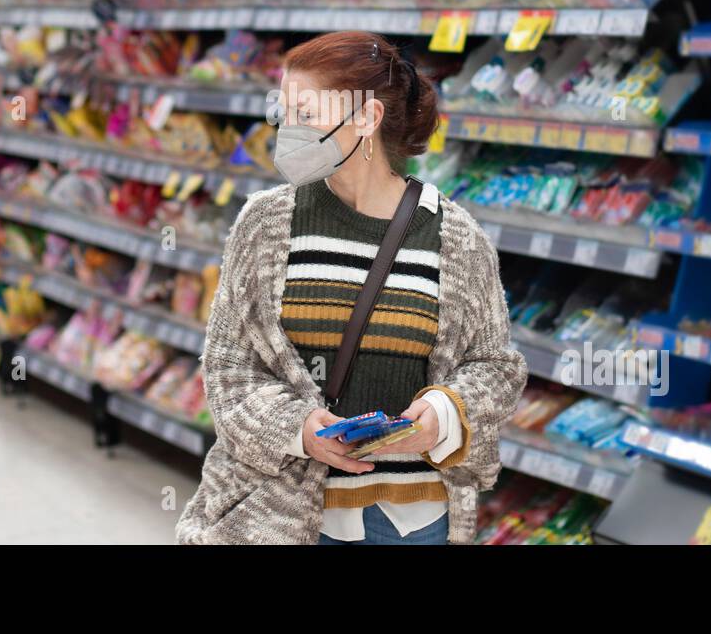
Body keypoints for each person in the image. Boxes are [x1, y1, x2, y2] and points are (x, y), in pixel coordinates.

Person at [175, 31, 527, 545]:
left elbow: (496, 366)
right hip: (278, 515)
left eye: (306, 114)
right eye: (284, 112)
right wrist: (298, 429)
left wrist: (445, 412)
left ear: (366, 118)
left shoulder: (455, 239)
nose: (287, 129)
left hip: (415, 520)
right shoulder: (267, 224)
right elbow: (229, 367)